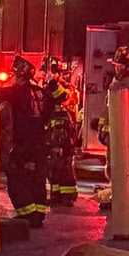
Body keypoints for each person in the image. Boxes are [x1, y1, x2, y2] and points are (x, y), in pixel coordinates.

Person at [0, 55, 48, 229]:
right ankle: (39, 214)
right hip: (40, 143)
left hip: (22, 143)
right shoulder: (40, 92)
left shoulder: (15, 92)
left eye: (14, 75)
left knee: (16, 177)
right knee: (37, 178)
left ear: (19, 75)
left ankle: (27, 215)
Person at [98, 46, 129, 207]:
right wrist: (102, 128)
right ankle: (116, 195)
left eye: (119, 65)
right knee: (113, 166)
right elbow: (108, 109)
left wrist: (127, 133)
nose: (116, 68)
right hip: (114, 134)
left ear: (128, 67)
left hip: (127, 135)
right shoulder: (115, 82)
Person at [41, 57, 80, 206]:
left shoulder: (62, 86)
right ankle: (57, 195)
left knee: (63, 166)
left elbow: (63, 97)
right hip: (55, 131)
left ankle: (67, 196)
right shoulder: (50, 84)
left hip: (62, 132)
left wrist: (51, 84)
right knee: (54, 166)